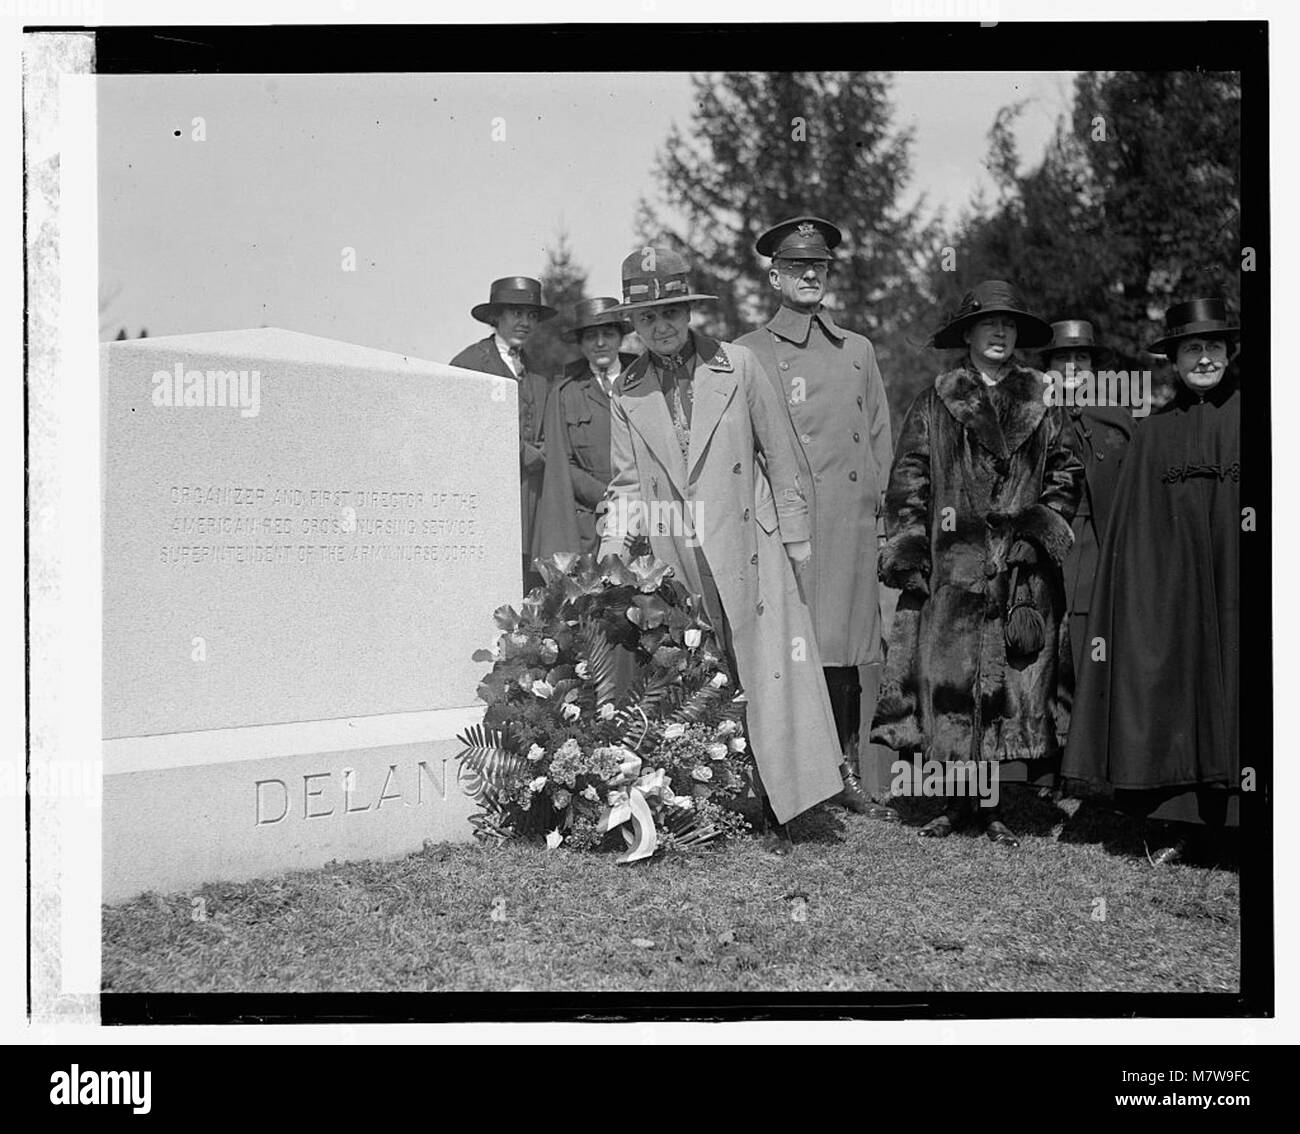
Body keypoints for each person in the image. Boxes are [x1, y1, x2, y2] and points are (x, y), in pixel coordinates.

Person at [596, 246, 844, 853]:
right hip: (678, 551)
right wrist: (614, 549)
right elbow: (628, 484)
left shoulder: (739, 365)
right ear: (633, 323)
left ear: (690, 311)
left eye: (673, 312)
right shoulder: (625, 393)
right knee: (704, 671)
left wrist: (797, 541)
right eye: (649, 316)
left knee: (768, 667)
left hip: (748, 541)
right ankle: (728, 804)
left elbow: (783, 458)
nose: (662, 326)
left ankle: (790, 801)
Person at [870, 280, 1084, 847]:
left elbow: (1067, 475)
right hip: (953, 570)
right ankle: (952, 803)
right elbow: (909, 478)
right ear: (967, 334)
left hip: (1019, 576)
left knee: (1010, 688)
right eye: (988, 324)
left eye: (1008, 325)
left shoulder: (1044, 397)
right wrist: (911, 549)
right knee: (951, 687)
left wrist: (1037, 532)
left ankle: (993, 808)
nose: (999, 333)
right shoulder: (935, 399)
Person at [1063, 298, 1240, 866]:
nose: (1204, 359)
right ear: (1175, 360)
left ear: (1231, 352)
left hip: (1239, 587)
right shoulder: (1155, 432)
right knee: (1170, 684)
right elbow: (1130, 535)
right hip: (1173, 597)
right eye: (1193, 348)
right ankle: (1176, 821)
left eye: (1214, 347)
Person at [735, 215, 898, 821]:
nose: (810, 275)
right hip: (788, 525)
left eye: (820, 267)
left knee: (850, 653)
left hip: (851, 523)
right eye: (798, 267)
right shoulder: (747, 353)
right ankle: (786, 772)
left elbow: (879, 439)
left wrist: (882, 520)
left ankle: (846, 771)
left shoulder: (857, 349)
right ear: (773, 275)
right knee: (794, 649)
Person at [1042, 319, 1135, 682]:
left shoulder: (1116, 418)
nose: (1072, 366)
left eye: (1081, 357)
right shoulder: (1033, 418)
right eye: (1063, 356)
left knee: (1093, 646)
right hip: (1049, 545)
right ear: (1047, 366)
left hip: (1100, 543)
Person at [450, 276, 557, 587]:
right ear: (496, 317)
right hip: (487, 498)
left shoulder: (538, 370)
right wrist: (525, 452)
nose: (525, 322)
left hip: (533, 501)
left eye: (532, 315)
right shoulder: (470, 364)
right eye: (516, 313)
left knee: (528, 582)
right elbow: (461, 433)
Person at [533, 297, 637, 561]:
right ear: (580, 343)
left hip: (646, 512)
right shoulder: (566, 393)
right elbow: (561, 462)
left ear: (620, 338)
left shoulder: (644, 381)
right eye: (591, 336)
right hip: (591, 521)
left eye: (608, 334)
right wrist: (607, 498)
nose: (600, 343)